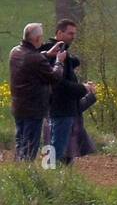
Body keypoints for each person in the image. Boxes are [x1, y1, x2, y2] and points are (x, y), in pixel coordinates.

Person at [8, 23, 66, 161]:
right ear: (37, 38)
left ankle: (18, 173)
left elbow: (29, 60)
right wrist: (59, 61)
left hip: (18, 107)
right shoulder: (36, 58)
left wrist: (46, 54)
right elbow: (54, 77)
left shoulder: (15, 52)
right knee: (30, 147)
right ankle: (26, 174)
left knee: (20, 144)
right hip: (34, 109)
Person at [41, 19, 95, 165]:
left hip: (57, 110)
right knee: (56, 151)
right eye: (70, 33)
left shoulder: (60, 52)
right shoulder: (55, 54)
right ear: (59, 33)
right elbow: (59, 85)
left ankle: (55, 180)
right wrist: (83, 88)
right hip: (60, 110)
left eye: (74, 33)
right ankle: (51, 180)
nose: (73, 36)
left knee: (56, 150)